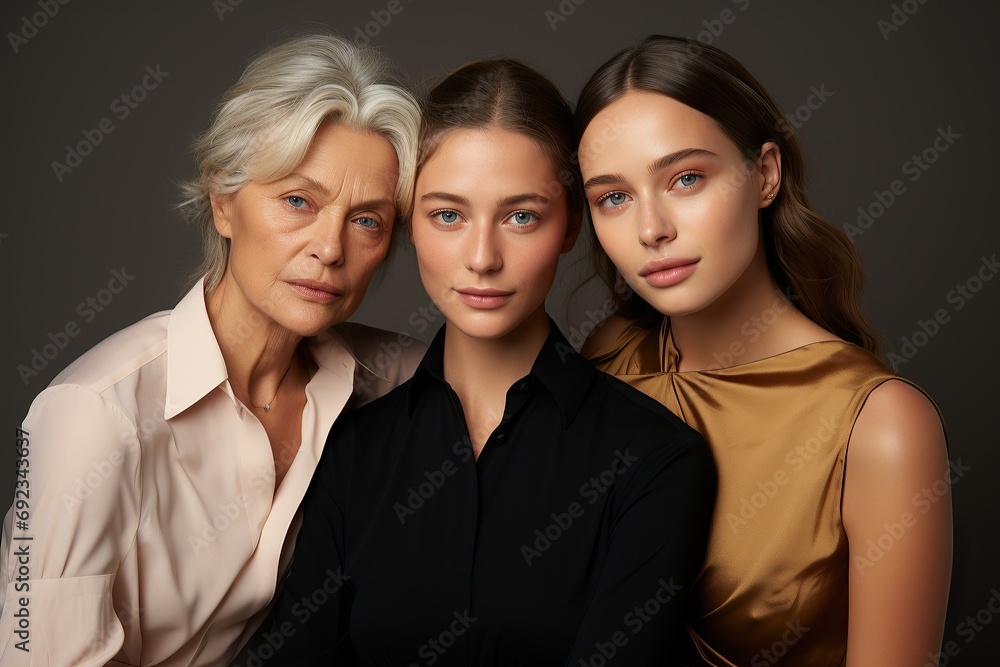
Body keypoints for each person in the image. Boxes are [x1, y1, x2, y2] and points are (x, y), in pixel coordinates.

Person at [239, 58, 716, 666]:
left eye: (522, 216)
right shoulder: (354, 448)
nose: (483, 257)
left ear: (571, 223)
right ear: (409, 223)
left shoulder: (655, 459)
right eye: (448, 215)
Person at [0, 34, 423, 666]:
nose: (330, 248)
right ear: (222, 203)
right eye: (298, 201)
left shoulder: (382, 379)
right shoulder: (92, 416)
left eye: (367, 220)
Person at [574, 35, 952, 666]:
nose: (650, 229)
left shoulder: (883, 428)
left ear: (767, 174)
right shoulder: (610, 355)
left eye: (686, 178)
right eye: (613, 197)